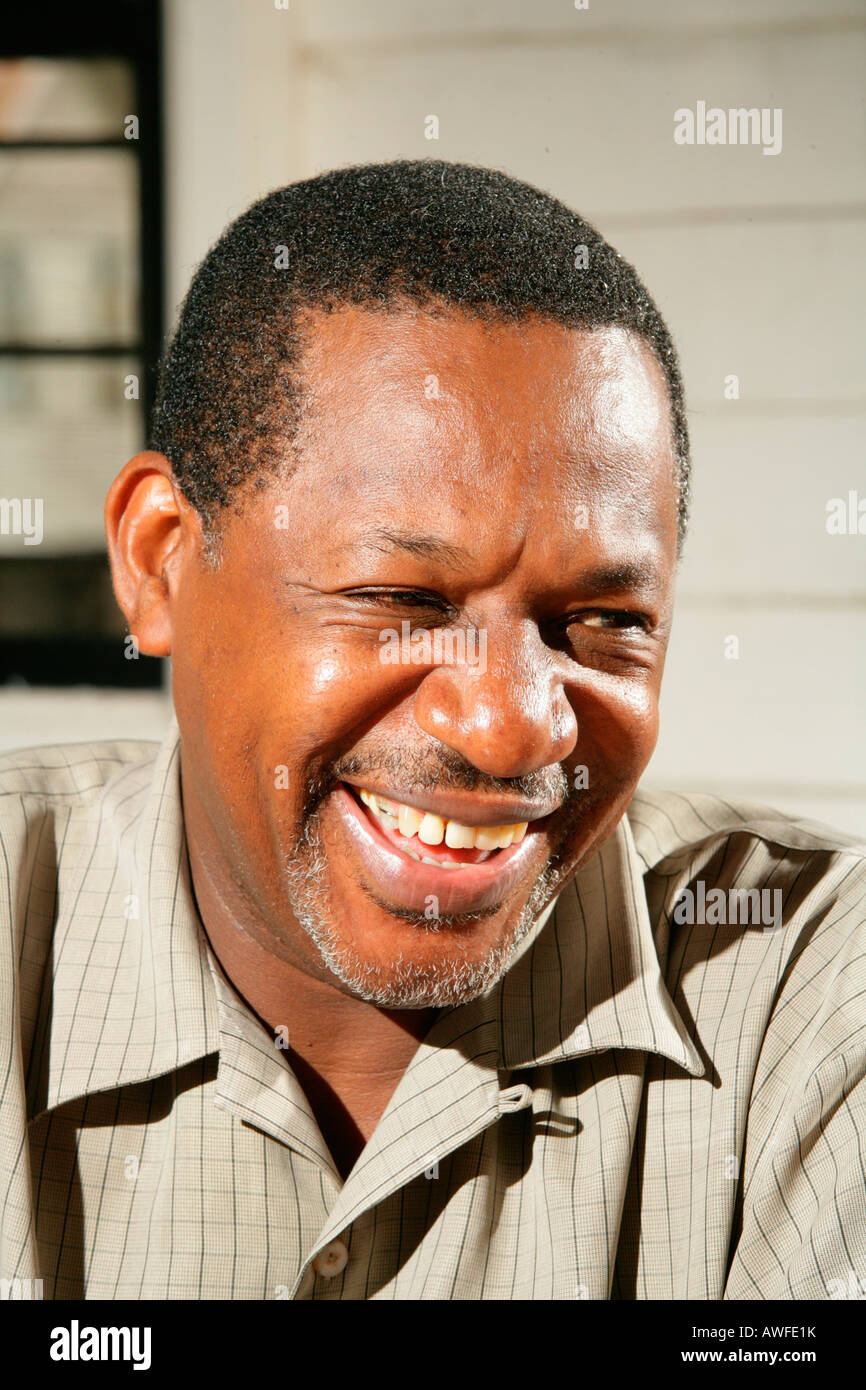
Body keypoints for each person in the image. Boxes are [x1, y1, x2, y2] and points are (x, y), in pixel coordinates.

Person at [1, 160, 863, 1301]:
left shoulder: (803, 999)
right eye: (401, 602)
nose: (511, 727)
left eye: (600, 621)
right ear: (161, 559)